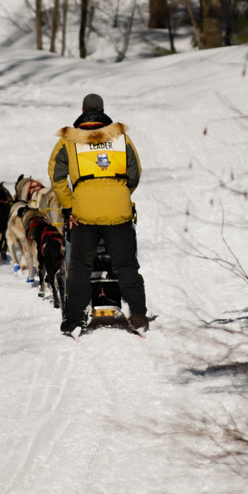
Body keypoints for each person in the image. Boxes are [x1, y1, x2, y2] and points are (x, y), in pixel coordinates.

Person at [49, 92, 146, 334]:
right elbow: (135, 172)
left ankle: (74, 319)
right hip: (118, 212)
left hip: (84, 213)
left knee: (81, 267)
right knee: (126, 265)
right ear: (103, 111)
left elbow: (56, 176)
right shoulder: (121, 137)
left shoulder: (68, 141)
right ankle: (138, 317)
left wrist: (69, 206)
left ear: (82, 112)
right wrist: (120, 193)